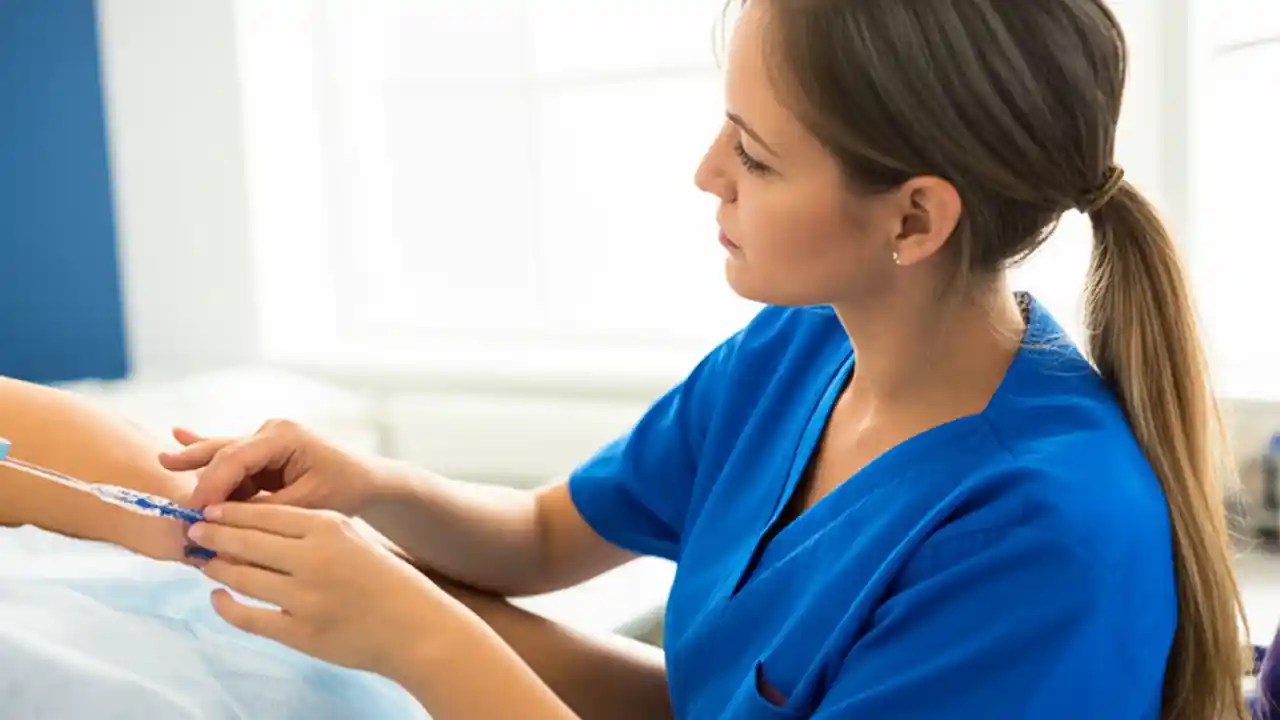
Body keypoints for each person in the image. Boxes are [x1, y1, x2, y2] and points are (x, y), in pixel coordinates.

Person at [159, 1, 1247, 718]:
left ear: (912, 218)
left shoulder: (1042, 540)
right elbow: (545, 537)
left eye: (756, 156)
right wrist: (369, 490)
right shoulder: (803, 345)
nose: (704, 173)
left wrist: (420, 638)